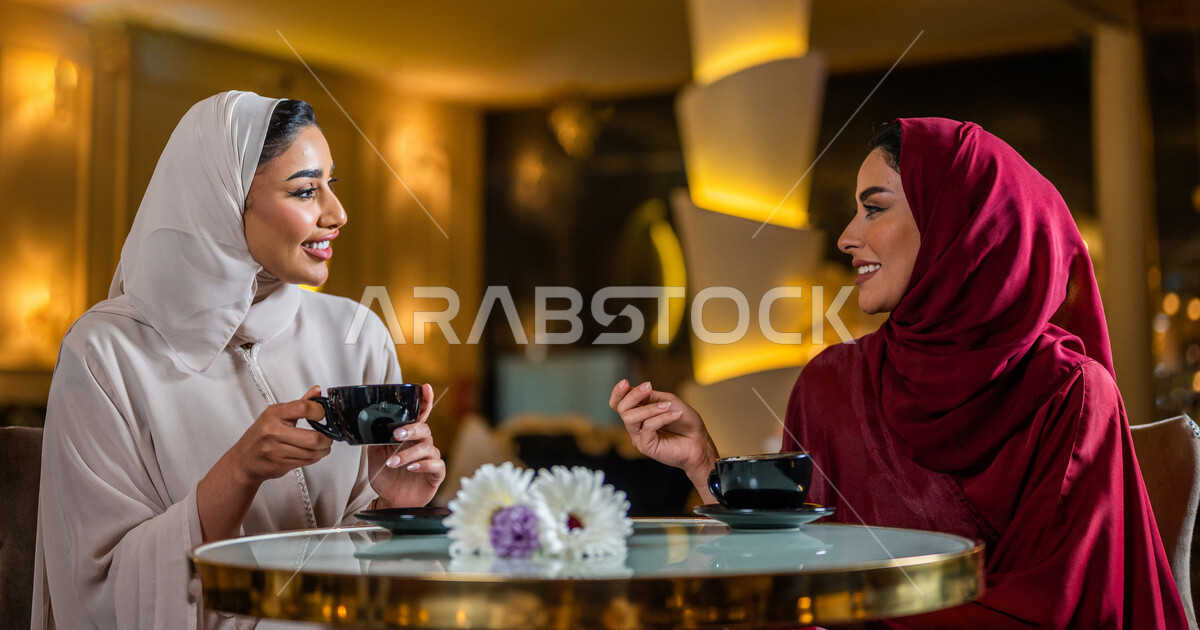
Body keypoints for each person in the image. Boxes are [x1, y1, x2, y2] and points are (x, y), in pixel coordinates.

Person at [610, 117, 1187, 627]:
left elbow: (1054, 607)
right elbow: (794, 563)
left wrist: (851, 610)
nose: (846, 237)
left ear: (959, 226)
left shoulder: (1071, 393)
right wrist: (704, 463)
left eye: (874, 207)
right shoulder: (832, 384)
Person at [32, 91, 446, 630]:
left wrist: (395, 508)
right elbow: (96, 586)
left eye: (331, 185)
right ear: (222, 202)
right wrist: (239, 470)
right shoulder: (105, 354)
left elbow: (373, 587)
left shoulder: (357, 333)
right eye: (304, 191)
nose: (336, 213)